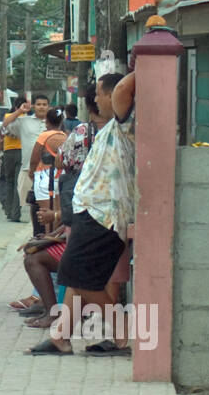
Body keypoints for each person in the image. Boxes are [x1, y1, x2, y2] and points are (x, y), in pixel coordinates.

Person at [31, 69, 137, 355]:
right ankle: (61, 337)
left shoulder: (126, 120)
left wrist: (139, 64)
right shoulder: (113, 125)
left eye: (100, 92)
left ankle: (123, 334)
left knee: (75, 274)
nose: (96, 98)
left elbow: (123, 89)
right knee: (81, 276)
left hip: (104, 212)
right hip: (92, 210)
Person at [16, 94, 52, 235]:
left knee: (48, 203)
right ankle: (37, 234)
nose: (42, 107)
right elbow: (6, 125)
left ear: (48, 107)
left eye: (44, 104)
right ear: (33, 106)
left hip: (49, 171)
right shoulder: (24, 121)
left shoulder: (54, 122)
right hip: (29, 169)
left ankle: (47, 233)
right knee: (33, 202)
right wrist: (20, 111)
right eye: (39, 104)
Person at [29, 108, 68, 234]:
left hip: (44, 177)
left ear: (47, 122)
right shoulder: (66, 136)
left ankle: (48, 245)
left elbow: (34, 159)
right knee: (56, 214)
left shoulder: (44, 136)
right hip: (61, 177)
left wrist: (32, 173)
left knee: (46, 216)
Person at [0, 96, 31, 222]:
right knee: (16, 183)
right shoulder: (23, 118)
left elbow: (4, 128)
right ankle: (13, 212)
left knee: (11, 182)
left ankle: (11, 212)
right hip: (17, 152)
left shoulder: (12, 116)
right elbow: (4, 126)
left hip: (12, 152)